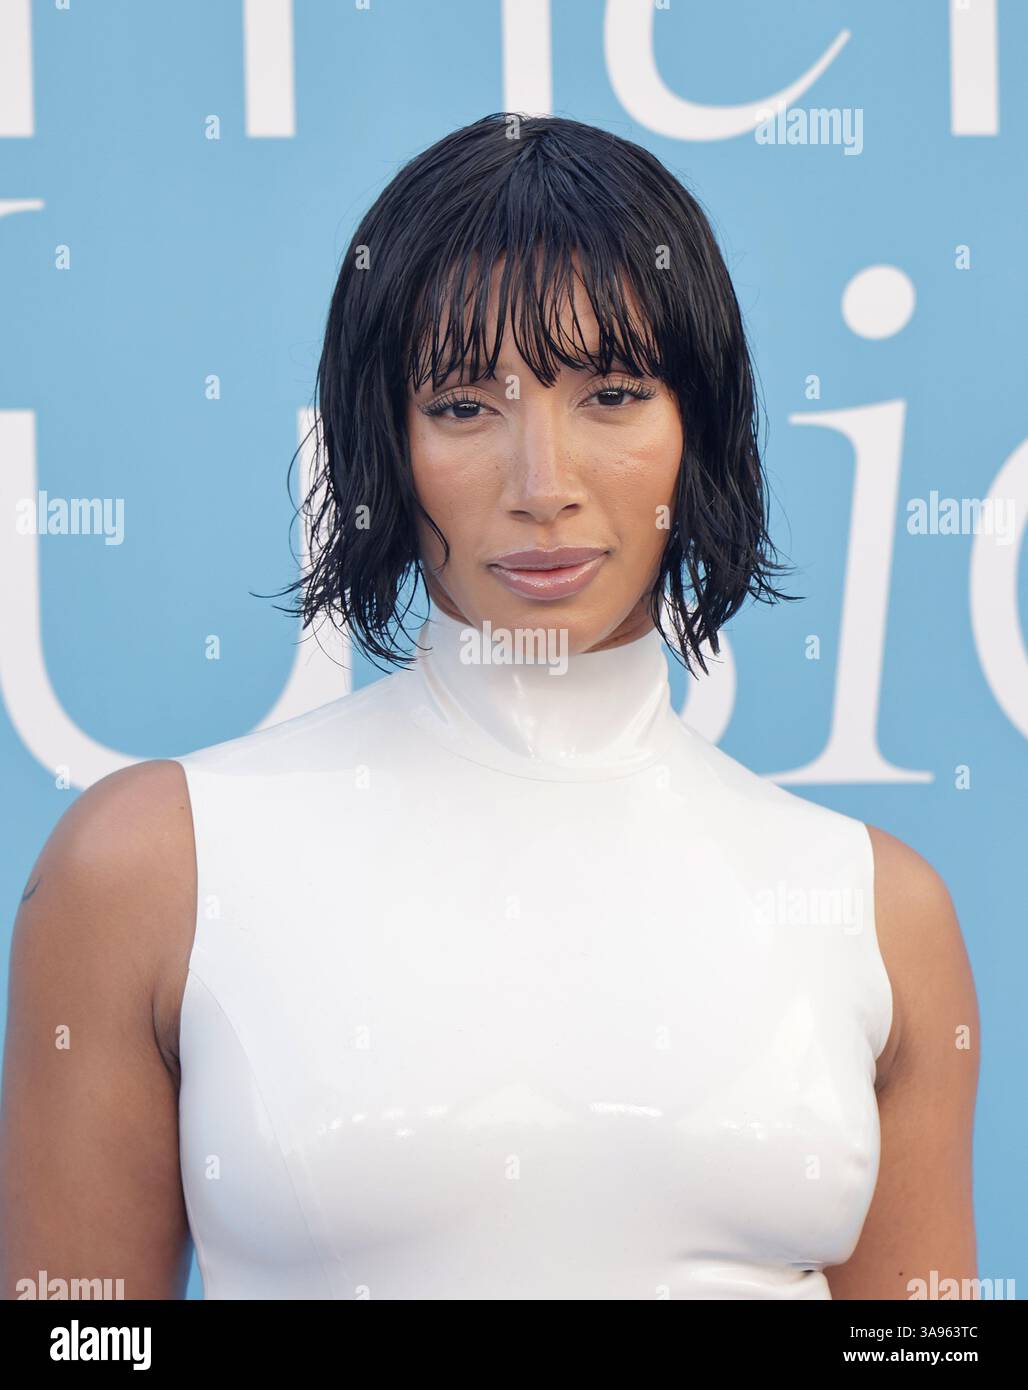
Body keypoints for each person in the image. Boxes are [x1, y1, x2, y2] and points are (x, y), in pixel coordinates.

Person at [0, 113, 978, 1300]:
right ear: (381, 443)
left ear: (700, 429)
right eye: (464, 405)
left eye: (611, 393)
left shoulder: (874, 908)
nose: (543, 484)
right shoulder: (152, 867)